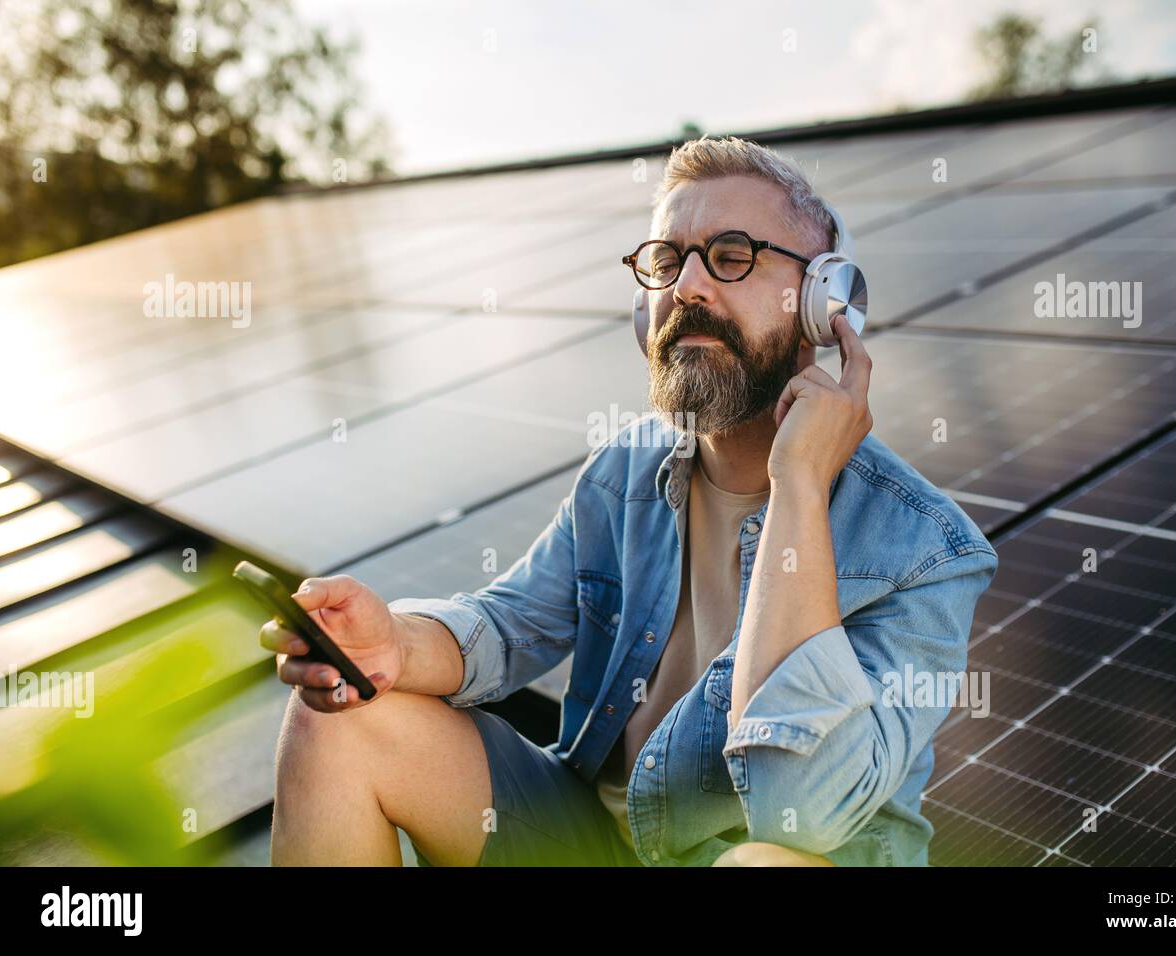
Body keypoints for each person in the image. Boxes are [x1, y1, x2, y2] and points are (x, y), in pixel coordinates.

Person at [259, 135, 998, 867]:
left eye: (733, 256)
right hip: (598, 843)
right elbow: (510, 624)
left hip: (758, 858)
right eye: (667, 262)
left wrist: (798, 484)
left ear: (822, 302)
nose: (689, 288)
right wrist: (392, 644)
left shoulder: (926, 552)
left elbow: (796, 807)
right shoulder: (624, 472)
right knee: (342, 720)